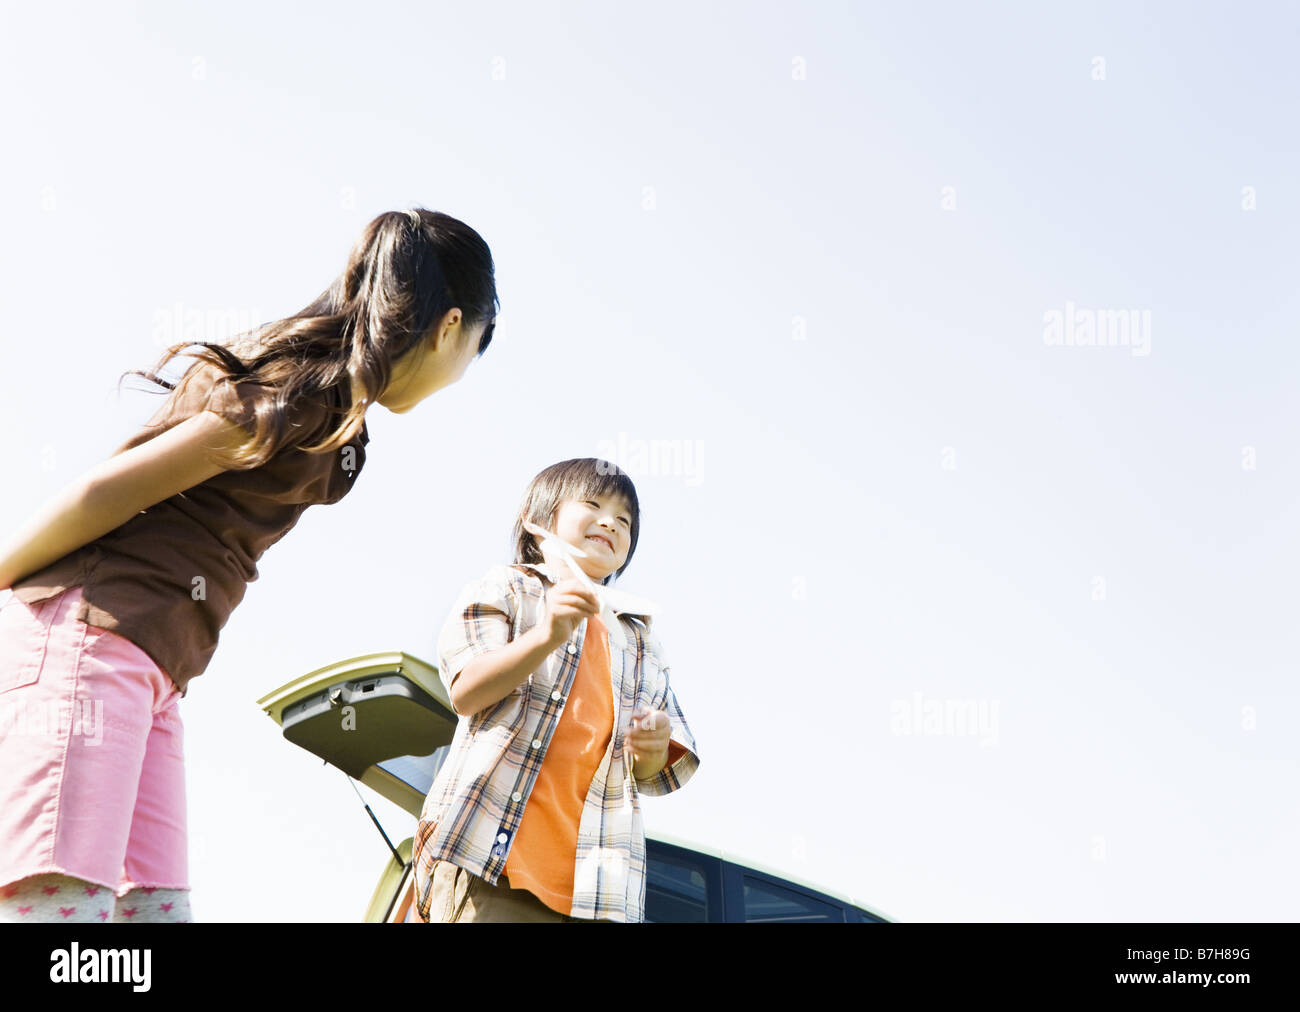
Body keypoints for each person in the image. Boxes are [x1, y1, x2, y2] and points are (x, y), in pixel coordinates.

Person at [0, 208, 498, 924]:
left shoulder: (343, 442)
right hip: (92, 634)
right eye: (475, 349)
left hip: (156, 668)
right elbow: (107, 491)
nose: (460, 375)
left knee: (157, 913)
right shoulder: (300, 396)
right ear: (450, 325)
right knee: (61, 910)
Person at [412, 458, 700, 923]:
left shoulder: (638, 640)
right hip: (488, 861)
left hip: (594, 894)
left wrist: (651, 744)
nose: (610, 522)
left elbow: (653, 772)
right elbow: (466, 689)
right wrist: (547, 634)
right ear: (539, 521)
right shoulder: (509, 587)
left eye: (625, 521)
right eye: (593, 505)